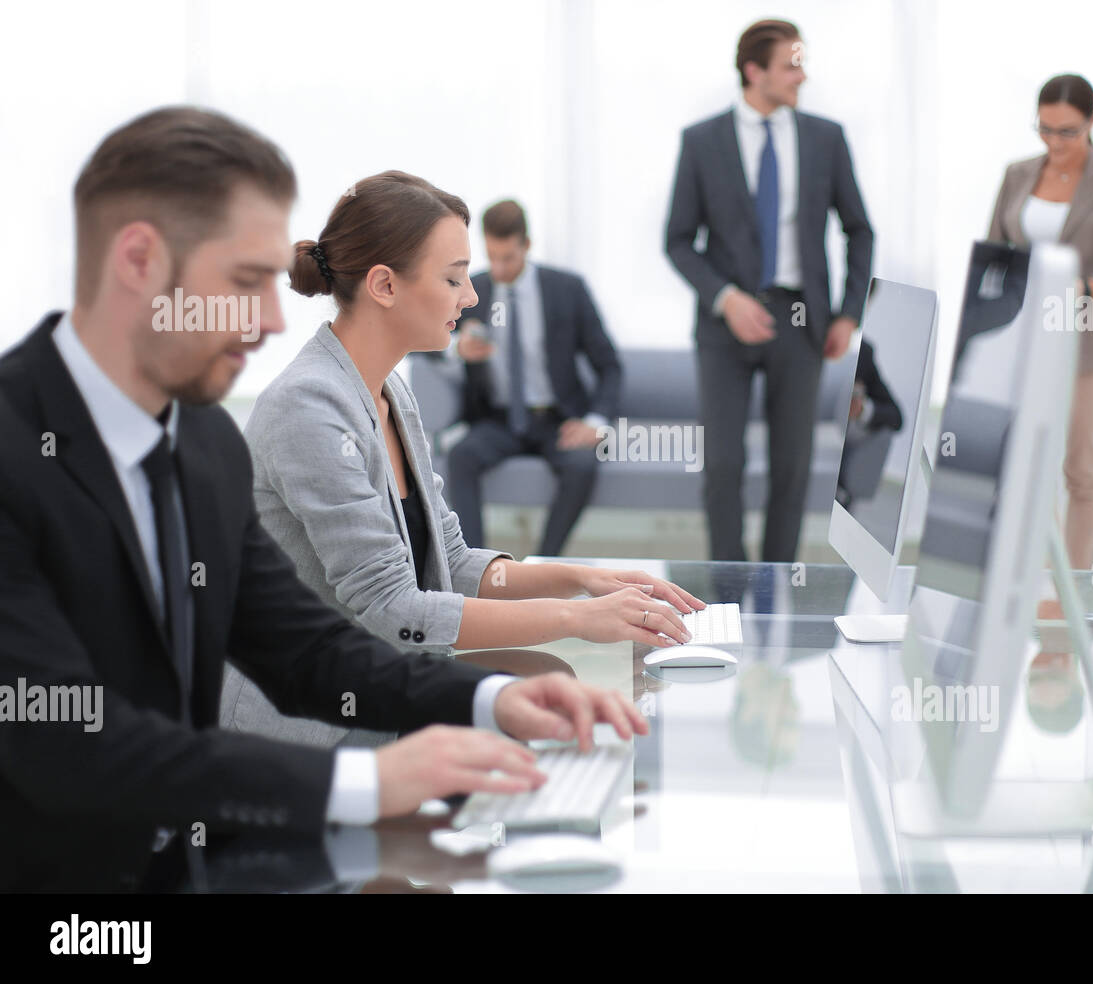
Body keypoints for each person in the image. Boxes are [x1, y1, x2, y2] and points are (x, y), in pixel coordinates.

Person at [0, 107, 649, 888]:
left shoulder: (202, 442)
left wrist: (491, 699)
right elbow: (71, 738)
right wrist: (369, 783)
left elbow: (308, 649)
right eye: (246, 282)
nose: (276, 317)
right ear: (139, 260)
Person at [223, 175, 701, 747]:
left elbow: (448, 560)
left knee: (555, 705)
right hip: (309, 730)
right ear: (384, 285)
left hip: (381, 689)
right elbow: (393, 606)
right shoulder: (307, 408)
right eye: (453, 278)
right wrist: (575, 620)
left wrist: (581, 579)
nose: (471, 297)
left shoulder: (390, 394)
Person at [665, 17, 874, 563]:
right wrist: (726, 298)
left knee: (793, 467)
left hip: (802, 321)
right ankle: (726, 598)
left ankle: (777, 590)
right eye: (791, 65)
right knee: (724, 467)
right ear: (755, 71)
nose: (802, 77)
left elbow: (859, 229)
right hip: (723, 324)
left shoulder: (825, 139)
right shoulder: (701, 141)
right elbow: (678, 240)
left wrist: (850, 314)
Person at [987, 74, 1093, 569]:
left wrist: (1086, 288)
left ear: (1092, 122)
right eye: (1046, 130)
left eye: (1068, 132)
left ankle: (1068, 591)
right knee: (1026, 471)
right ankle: (1030, 581)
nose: (1055, 143)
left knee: (1081, 471)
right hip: (1021, 339)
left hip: (1084, 345)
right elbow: (993, 256)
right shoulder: (1017, 174)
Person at [444, 199, 622, 556]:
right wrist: (456, 348)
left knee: (583, 465)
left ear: (527, 245)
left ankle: (543, 564)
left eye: (507, 258)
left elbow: (610, 366)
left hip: (557, 419)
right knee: (460, 456)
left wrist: (595, 422)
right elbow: (416, 340)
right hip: (497, 420)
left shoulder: (567, 290)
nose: (498, 268)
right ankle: (476, 567)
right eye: (491, 256)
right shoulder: (470, 291)